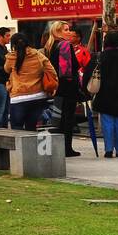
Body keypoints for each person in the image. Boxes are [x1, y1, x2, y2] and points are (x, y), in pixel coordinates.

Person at [84, 31, 118, 158]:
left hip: (104, 95)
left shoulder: (99, 57)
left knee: (107, 121)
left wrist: (85, 91)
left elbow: (87, 75)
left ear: (105, 42)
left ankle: (108, 149)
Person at [44, 21, 82, 156]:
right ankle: (67, 148)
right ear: (58, 32)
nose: (69, 32)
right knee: (68, 118)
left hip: (56, 86)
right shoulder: (65, 45)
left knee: (58, 118)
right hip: (68, 86)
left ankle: (60, 148)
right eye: (66, 30)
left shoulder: (50, 45)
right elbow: (68, 69)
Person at [3, 32, 53, 131]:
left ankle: (21, 147)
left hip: (18, 98)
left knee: (17, 130)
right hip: (38, 96)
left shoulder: (11, 57)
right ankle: (31, 147)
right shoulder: (38, 54)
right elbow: (51, 70)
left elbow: (6, 69)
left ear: (13, 44)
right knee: (31, 128)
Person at [0, 27, 11, 128]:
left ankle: (4, 130)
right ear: (0, 37)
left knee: (6, 109)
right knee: (0, 109)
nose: (9, 38)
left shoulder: (5, 49)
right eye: (7, 35)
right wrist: (6, 69)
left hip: (5, 81)